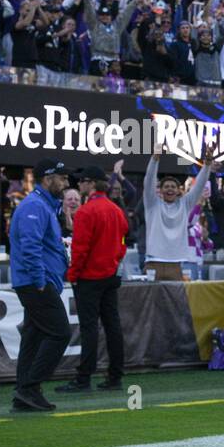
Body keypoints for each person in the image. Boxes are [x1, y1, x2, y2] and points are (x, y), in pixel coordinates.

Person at [57, 166, 128, 393]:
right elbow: (123, 243)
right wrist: (113, 262)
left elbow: (80, 249)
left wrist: (73, 275)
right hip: (109, 274)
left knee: (89, 328)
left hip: (89, 277)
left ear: (91, 184)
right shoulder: (116, 210)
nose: (79, 185)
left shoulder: (87, 212)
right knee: (112, 325)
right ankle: (115, 376)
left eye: (82, 182)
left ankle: (84, 378)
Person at [9, 159, 72, 412]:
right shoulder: (35, 206)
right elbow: (30, 246)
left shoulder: (43, 205)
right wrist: (39, 281)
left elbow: (38, 246)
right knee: (60, 333)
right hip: (37, 282)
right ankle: (29, 388)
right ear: (48, 179)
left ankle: (24, 394)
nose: (67, 183)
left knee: (33, 337)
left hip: (38, 280)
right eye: (63, 178)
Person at [143, 151, 213, 281]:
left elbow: (199, 186)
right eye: (166, 187)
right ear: (160, 190)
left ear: (178, 190)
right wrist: (155, 159)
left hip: (177, 264)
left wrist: (207, 164)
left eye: (173, 187)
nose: (170, 189)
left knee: (175, 301)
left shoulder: (185, 204)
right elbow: (148, 181)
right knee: (152, 301)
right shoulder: (152, 203)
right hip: (153, 262)